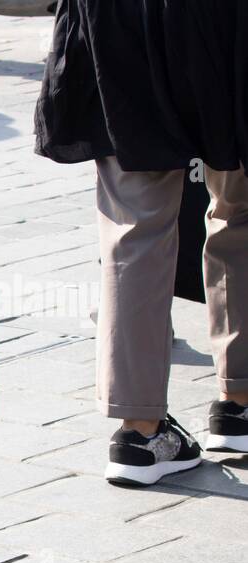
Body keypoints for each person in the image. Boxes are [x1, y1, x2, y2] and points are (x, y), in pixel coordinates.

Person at [35, 0, 248, 487]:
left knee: (135, 226)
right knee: (240, 206)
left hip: (120, 20)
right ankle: (239, 405)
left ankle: (140, 433)